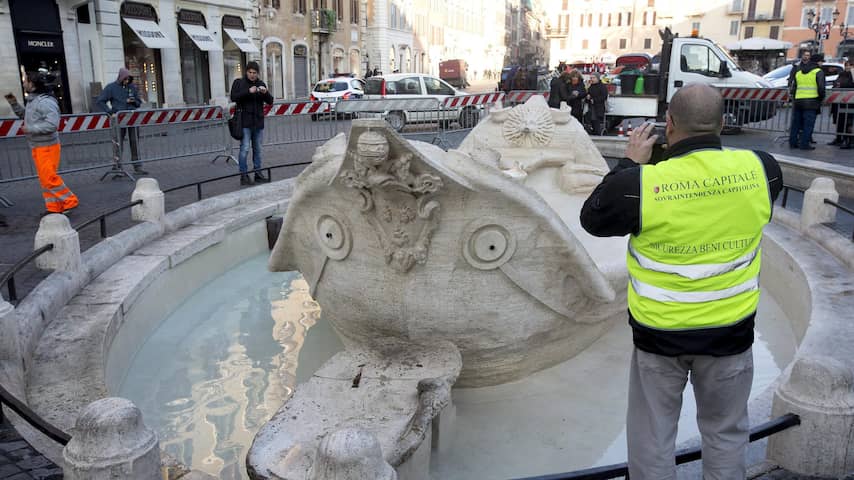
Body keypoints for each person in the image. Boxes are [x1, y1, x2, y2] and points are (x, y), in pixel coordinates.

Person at [580, 83, 783, 480]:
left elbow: (593, 218)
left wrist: (630, 165)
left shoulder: (640, 185)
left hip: (660, 338)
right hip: (731, 336)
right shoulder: (763, 169)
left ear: (668, 124)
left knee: (652, 439)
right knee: (726, 435)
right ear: (723, 124)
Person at [6, 72, 79, 215]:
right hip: (38, 146)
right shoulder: (33, 101)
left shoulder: (45, 102)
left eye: (26, 80)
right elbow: (25, 116)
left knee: (49, 179)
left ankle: (70, 201)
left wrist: (30, 129)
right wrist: (14, 104)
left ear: (33, 85)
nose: (23, 83)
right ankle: (54, 208)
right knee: (45, 180)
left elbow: (52, 125)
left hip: (47, 147)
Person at [96, 67, 148, 175]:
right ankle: (118, 166)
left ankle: (137, 166)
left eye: (128, 79)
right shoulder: (111, 88)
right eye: (125, 79)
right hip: (118, 119)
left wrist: (134, 101)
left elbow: (138, 102)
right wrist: (110, 112)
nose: (126, 81)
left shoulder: (132, 87)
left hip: (132, 118)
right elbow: (100, 101)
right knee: (118, 143)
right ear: (120, 78)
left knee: (135, 142)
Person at [230, 61, 274, 186]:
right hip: (244, 122)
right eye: (250, 72)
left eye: (254, 73)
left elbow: (270, 101)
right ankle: (243, 175)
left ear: (258, 73)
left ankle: (258, 173)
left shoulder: (261, 84)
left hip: (258, 122)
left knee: (258, 149)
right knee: (244, 149)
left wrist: (265, 92)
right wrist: (248, 91)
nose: (252, 75)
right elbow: (234, 97)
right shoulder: (239, 83)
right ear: (246, 72)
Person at [788, 52, 825, 150]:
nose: (822, 64)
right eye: (822, 62)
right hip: (812, 101)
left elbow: (794, 87)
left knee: (796, 124)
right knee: (808, 125)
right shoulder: (818, 72)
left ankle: (793, 142)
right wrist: (821, 98)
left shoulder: (799, 72)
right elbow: (821, 88)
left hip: (798, 101)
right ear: (818, 62)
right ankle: (804, 144)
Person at [830, 58, 853, 149]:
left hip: (850, 103)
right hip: (838, 102)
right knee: (839, 121)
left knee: (848, 122)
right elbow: (836, 84)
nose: (848, 67)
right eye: (846, 65)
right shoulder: (841, 74)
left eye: (850, 65)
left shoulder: (852, 75)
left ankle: (849, 140)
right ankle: (839, 138)